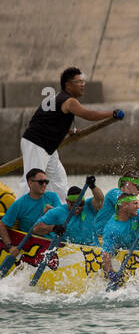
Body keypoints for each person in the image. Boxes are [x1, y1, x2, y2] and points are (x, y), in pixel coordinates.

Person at [19, 67, 122, 200]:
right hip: (37, 144)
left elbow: (45, 120)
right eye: (79, 81)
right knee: (33, 180)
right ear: (68, 85)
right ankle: (19, 214)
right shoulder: (69, 101)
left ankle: (61, 211)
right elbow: (89, 114)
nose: (83, 85)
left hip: (48, 147)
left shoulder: (57, 98)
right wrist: (112, 114)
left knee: (58, 180)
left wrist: (68, 131)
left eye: (83, 81)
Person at [1, 168, 62, 253]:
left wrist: (52, 212)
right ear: (30, 183)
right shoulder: (19, 204)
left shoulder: (53, 197)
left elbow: (62, 218)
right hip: (32, 246)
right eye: (41, 182)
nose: (44, 185)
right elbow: (2, 225)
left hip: (54, 243)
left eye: (46, 182)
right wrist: (9, 246)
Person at [32, 182, 104, 245]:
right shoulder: (57, 212)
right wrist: (53, 228)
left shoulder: (89, 206)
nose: (78, 207)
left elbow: (100, 199)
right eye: (74, 204)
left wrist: (92, 186)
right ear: (67, 201)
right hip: (69, 252)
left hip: (93, 249)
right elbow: (36, 228)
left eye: (81, 204)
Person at [95, 171, 139, 237]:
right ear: (128, 184)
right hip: (101, 236)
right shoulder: (114, 193)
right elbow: (136, 206)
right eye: (138, 187)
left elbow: (136, 211)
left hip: (118, 236)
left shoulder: (131, 200)